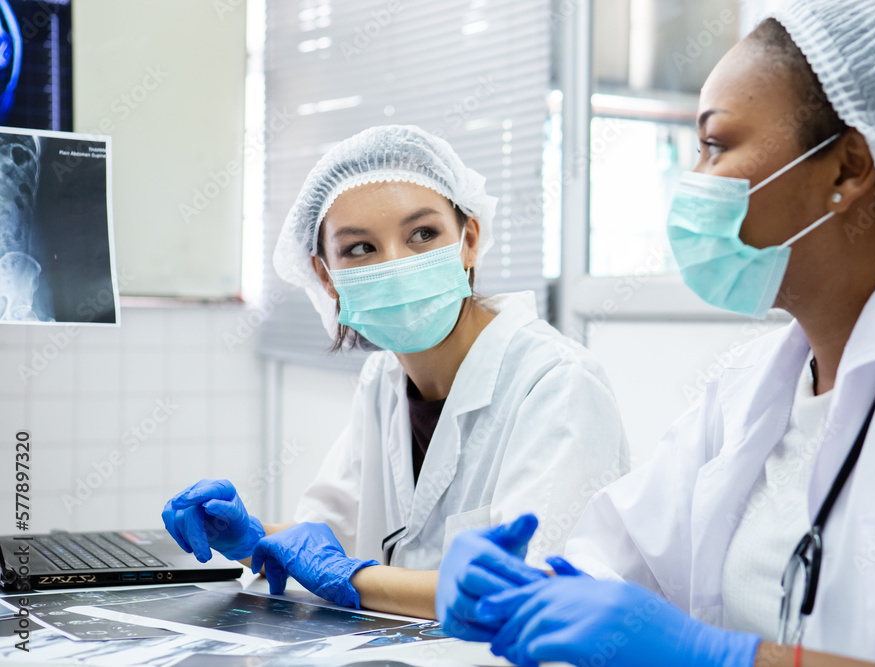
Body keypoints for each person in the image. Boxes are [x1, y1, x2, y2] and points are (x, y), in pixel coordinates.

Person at [436, 0, 875, 665]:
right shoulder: (752, 384)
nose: (693, 181)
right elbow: (620, 559)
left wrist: (719, 655)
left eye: (715, 144)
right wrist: (518, 581)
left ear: (847, 168)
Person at [161, 125, 630, 620]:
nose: (396, 265)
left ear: (469, 240)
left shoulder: (557, 383)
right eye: (360, 248)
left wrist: (351, 577)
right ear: (326, 276)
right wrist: (248, 538)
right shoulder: (383, 380)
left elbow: (530, 590)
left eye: (423, 235)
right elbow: (327, 537)